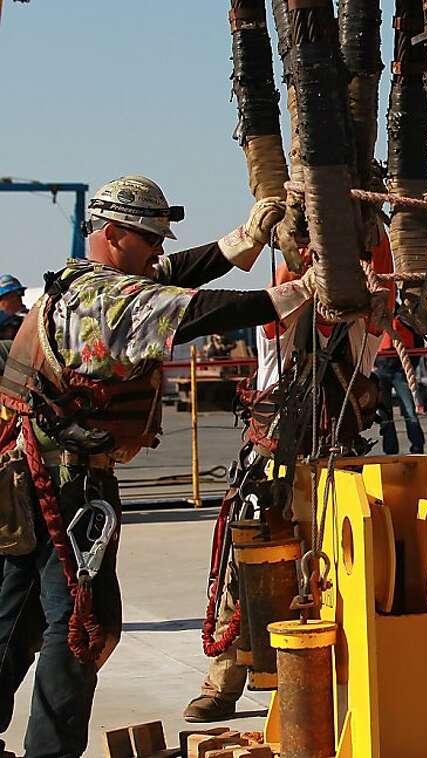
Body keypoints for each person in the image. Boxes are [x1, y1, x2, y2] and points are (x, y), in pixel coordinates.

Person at [0, 175, 334, 757]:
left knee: (18, 618)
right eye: (149, 239)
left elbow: (173, 276)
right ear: (112, 235)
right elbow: (193, 311)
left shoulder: (81, 284)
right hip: (65, 487)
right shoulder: (103, 302)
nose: (158, 250)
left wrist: (243, 241)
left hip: (32, 478)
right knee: (81, 627)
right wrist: (298, 290)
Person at [185, 230, 394, 723]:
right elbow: (284, 295)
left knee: (340, 571)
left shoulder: (362, 324)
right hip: (272, 465)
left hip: (334, 462)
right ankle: (223, 683)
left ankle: (340, 682)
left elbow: (380, 298)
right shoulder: (283, 312)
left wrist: (372, 273)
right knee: (247, 571)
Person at [375, 316, 425, 456]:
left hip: (400, 370)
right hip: (381, 369)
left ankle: (417, 446)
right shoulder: (377, 318)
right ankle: (390, 449)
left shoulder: (405, 320)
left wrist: (410, 368)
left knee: (409, 410)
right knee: (385, 413)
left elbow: (418, 342)